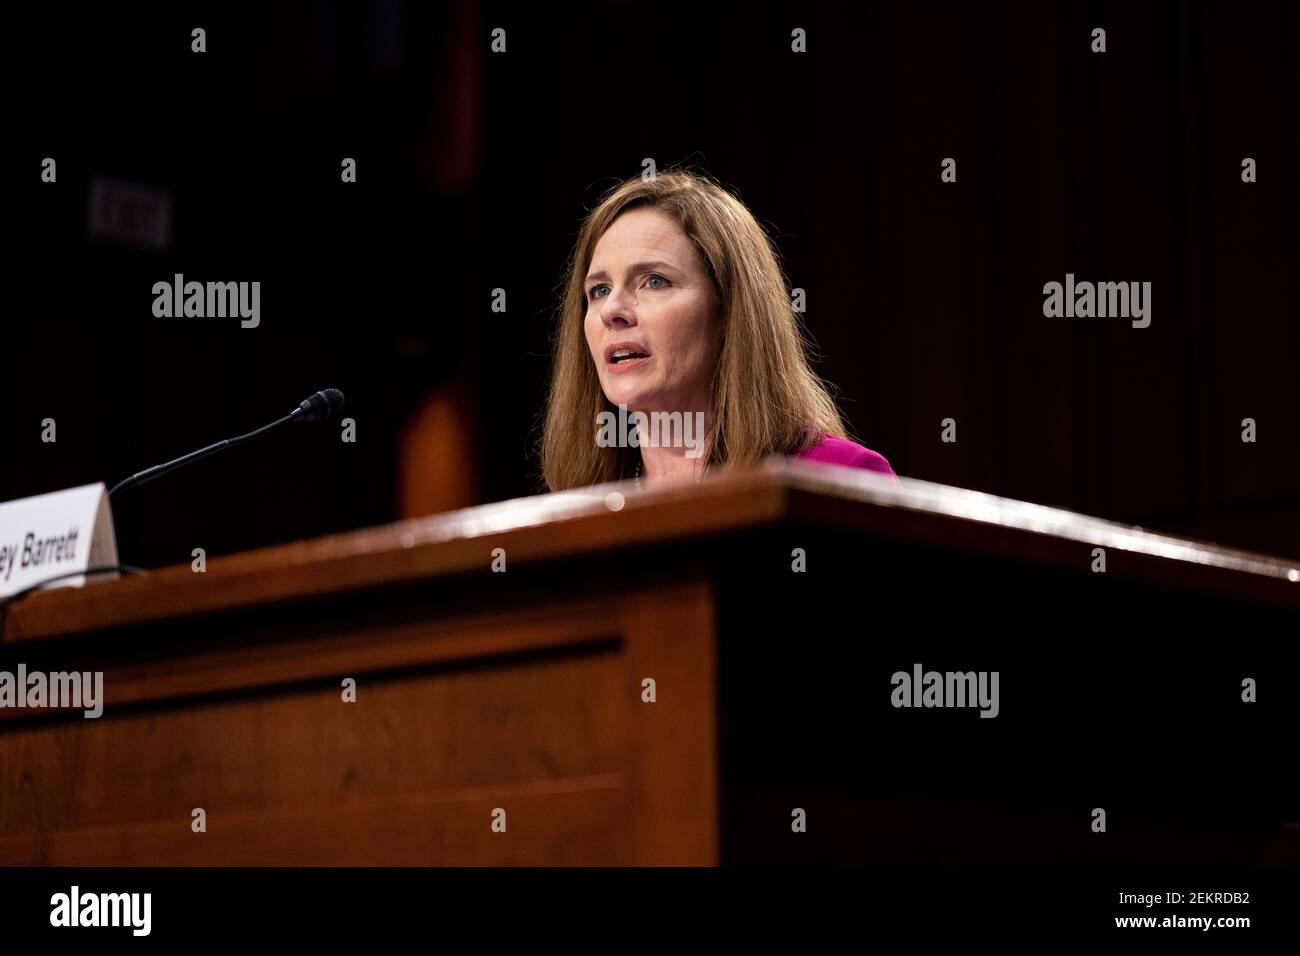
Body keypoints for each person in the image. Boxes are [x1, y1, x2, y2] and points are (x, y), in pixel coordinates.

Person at [540, 169, 895, 489]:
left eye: (654, 281)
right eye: (599, 290)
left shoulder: (839, 478)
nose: (612, 311)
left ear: (728, 310)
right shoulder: (580, 514)